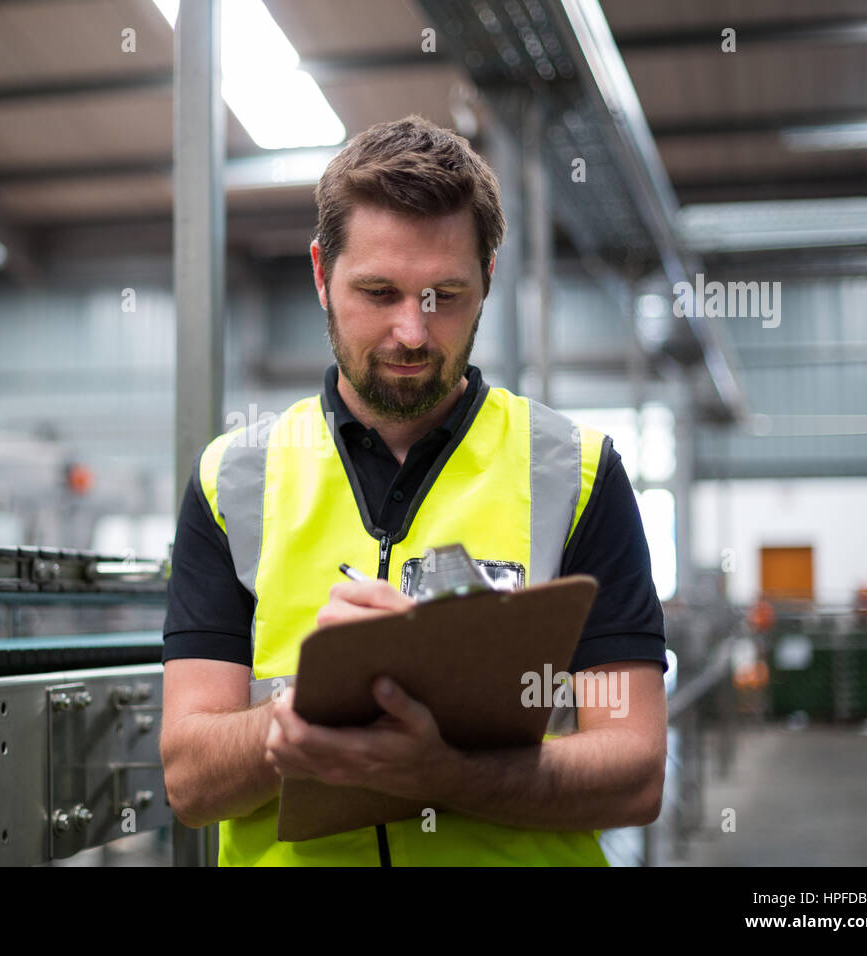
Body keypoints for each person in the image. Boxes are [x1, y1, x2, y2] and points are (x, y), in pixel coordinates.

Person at [160, 114, 668, 867]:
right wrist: (297, 717)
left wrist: (449, 776)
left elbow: (634, 770)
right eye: (378, 291)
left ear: (488, 279)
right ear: (319, 275)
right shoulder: (234, 479)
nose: (411, 332)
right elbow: (190, 781)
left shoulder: (578, 472)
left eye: (445, 295)